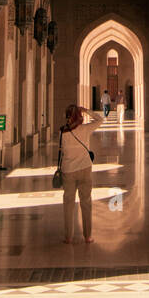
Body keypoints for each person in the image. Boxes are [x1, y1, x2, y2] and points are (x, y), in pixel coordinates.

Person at [59, 103, 101, 244]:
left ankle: (68, 237)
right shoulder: (84, 129)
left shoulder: (62, 132)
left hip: (68, 171)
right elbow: (100, 119)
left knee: (68, 204)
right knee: (86, 202)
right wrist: (86, 110)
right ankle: (87, 236)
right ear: (79, 116)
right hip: (84, 169)